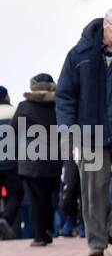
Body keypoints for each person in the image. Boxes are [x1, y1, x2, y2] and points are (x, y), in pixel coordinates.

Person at [54, 9, 112, 256]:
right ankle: (96, 241)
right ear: (105, 26)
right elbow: (65, 96)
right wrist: (68, 130)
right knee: (93, 187)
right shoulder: (79, 55)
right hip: (90, 133)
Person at [14, 74, 61, 246]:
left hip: (30, 159)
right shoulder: (58, 105)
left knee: (36, 198)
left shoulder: (24, 106)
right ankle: (47, 229)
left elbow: (14, 129)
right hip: (53, 158)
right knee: (49, 196)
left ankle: (40, 236)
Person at [0, 86, 23, 238]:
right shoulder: (16, 112)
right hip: (12, 164)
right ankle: (5, 220)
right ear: (7, 96)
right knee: (16, 194)